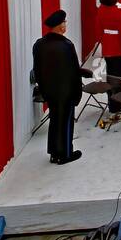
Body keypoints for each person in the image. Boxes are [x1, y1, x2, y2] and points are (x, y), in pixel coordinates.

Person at [32, 10, 85, 164]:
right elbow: (74, 72)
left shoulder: (39, 44)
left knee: (54, 120)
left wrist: (43, 89)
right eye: (64, 22)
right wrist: (77, 93)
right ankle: (66, 154)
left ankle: (54, 152)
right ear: (60, 26)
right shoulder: (66, 45)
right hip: (66, 92)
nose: (65, 25)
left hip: (49, 92)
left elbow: (37, 70)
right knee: (66, 123)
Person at [96, 0, 121, 117]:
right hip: (118, 46)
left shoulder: (101, 8)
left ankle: (113, 102)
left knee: (111, 75)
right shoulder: (120, 11)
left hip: (107, 46)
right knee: (119, 77)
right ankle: (117, 104)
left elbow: (98, 31)